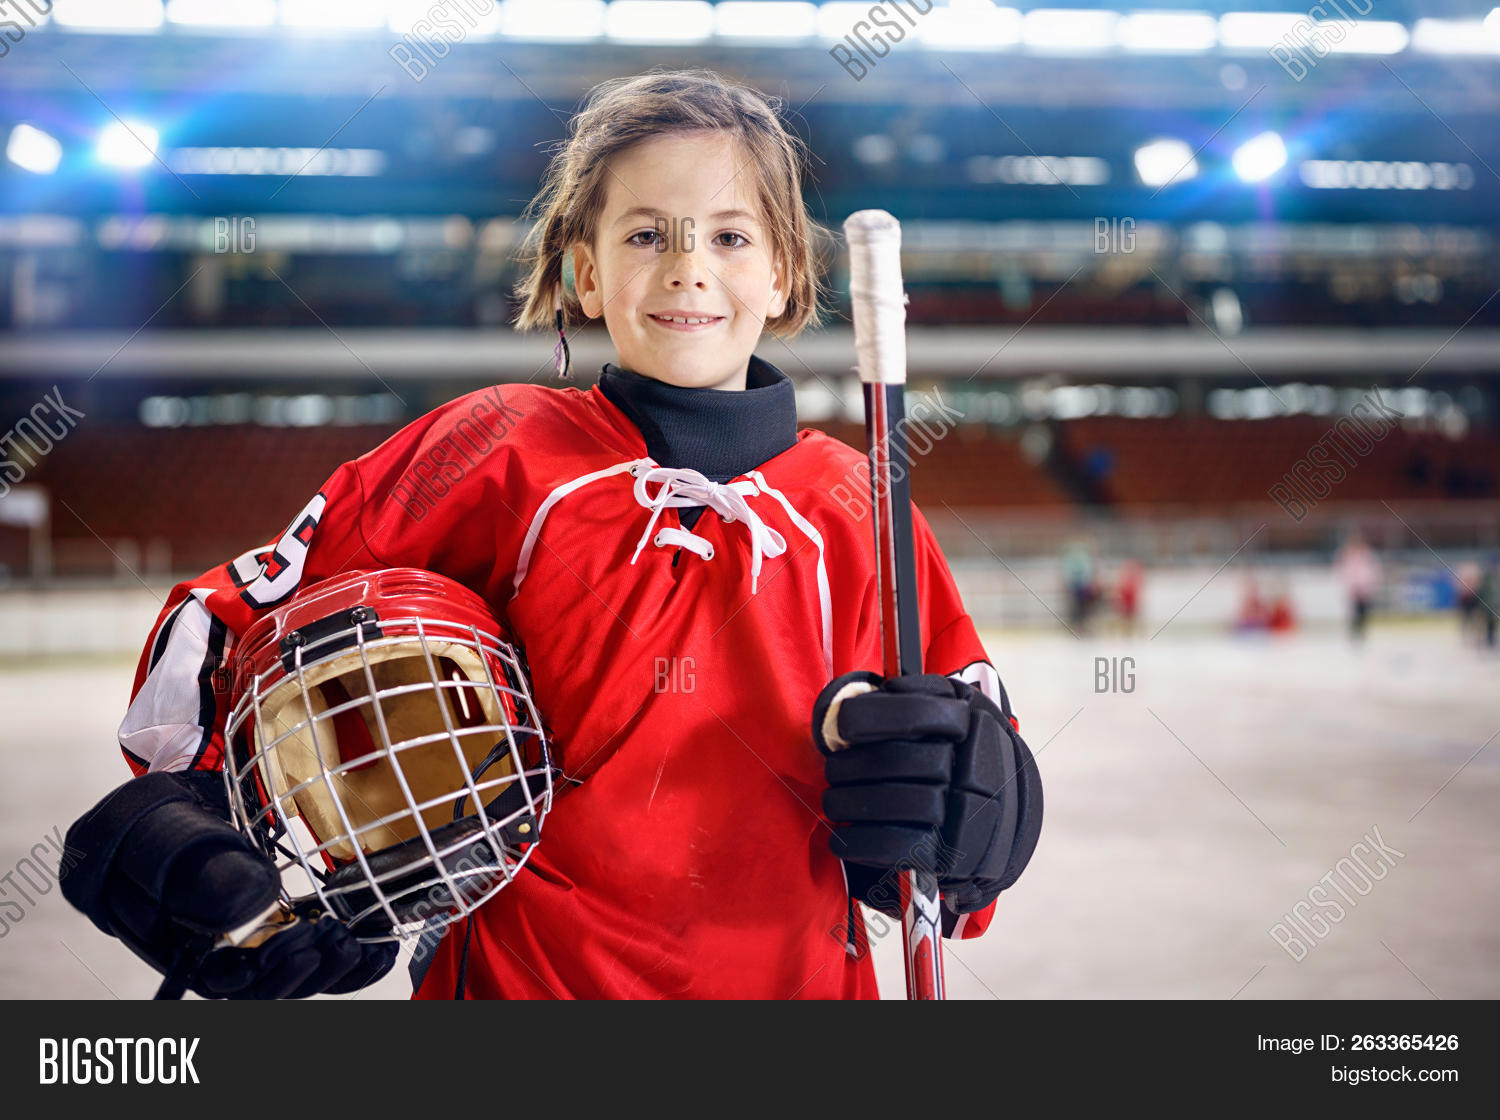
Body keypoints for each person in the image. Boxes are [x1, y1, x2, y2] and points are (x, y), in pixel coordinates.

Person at [59, 70, 1042, 1000]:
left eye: (731, 238)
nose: (689, 266)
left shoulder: (859, 505)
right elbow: (236, 618)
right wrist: (177, 827)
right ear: (584, 269)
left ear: (786, 274)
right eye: (647, 234)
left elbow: (959, 766)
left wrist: (982, 816)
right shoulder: (494, 449)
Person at [1334, 532, 1380, 644]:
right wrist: (1350, 586)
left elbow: (1372, 572)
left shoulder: (1367, 556)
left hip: (1365, 588)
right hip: (1353, 588)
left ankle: (1361, 632)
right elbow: (1343, 572)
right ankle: (1354, 633)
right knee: (1355, 611)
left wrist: (1370, 585)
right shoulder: (1347, 556)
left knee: (1363, 611)